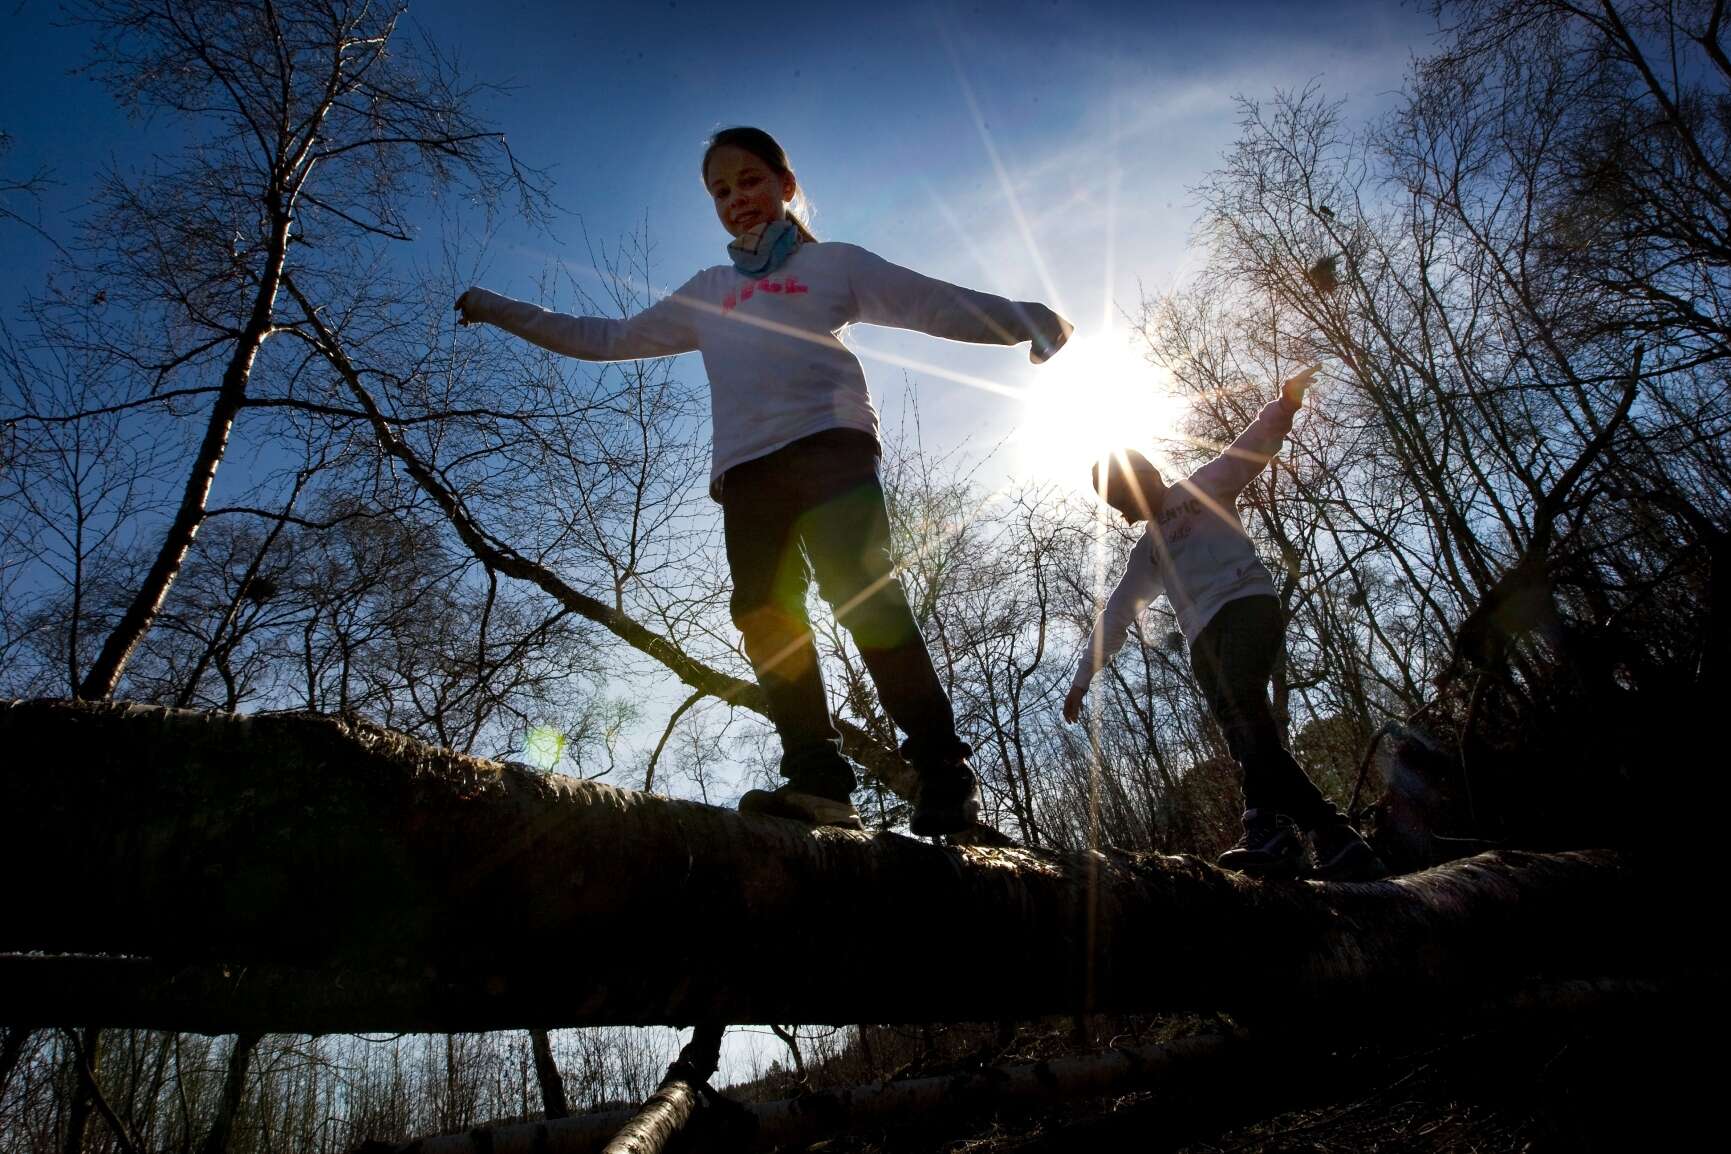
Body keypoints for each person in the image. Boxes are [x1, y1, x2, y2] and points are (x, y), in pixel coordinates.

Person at [455, 126, 1071, 836]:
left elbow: (930, 303)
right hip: (746, 472)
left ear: (784, 186)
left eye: (748, 181)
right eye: (720, 191)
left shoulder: (832, 265)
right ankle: (817, 781)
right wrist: (498, 308)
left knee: (860, 592)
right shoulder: (708, 294)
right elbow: (608, 339)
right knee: (764, 612)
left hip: (829, 445)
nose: (735, 199)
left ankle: (941, 775)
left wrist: (1028, 319)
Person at [1061, 365, 1387, 881]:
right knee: (1245, 736)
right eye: (1124, 504)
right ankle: (1320, 836)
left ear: (1150, 478)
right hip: (1202, 641)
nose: (1135, 506)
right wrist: (1082, 680)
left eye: (1134, 490)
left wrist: (1285, 406)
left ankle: (1278, 827)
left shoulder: (1201, 487)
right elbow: (1116, 616)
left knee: (1241, 703)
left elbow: (1247, 451)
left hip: (1247, 605)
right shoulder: (1148, 552)